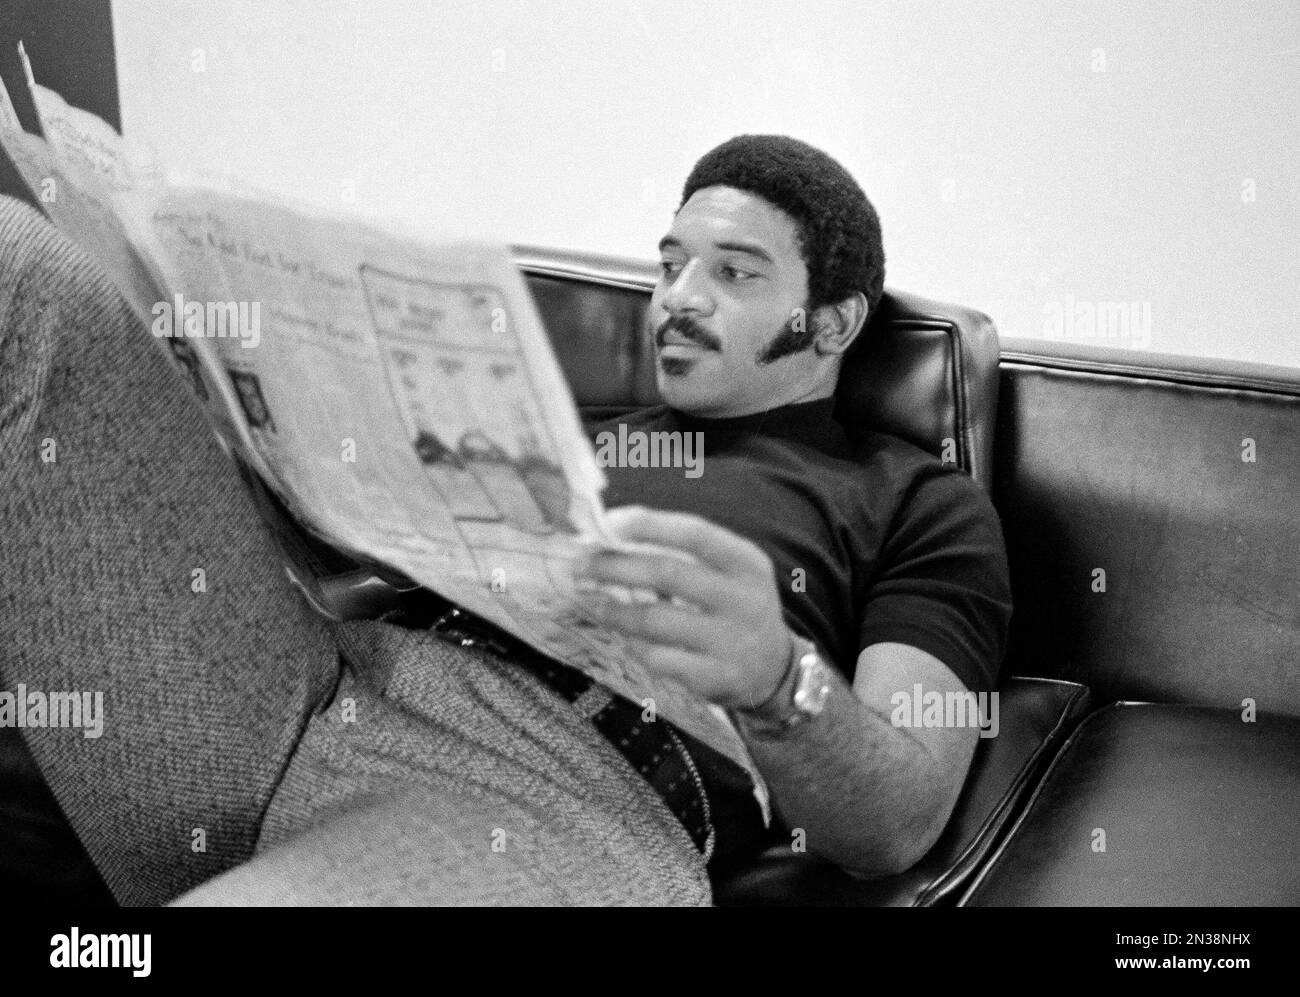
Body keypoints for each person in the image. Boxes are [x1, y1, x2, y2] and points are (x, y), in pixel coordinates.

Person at [171, 135, 1011, 905]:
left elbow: (898, 819)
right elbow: (338, 562)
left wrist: (777, 677)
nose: (677, 300)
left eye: (735, 273)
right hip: (326, 690)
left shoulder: (919, 503)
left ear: (831, 322)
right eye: (671, 264)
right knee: (43, 282)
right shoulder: (558, 433)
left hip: (551, 778)